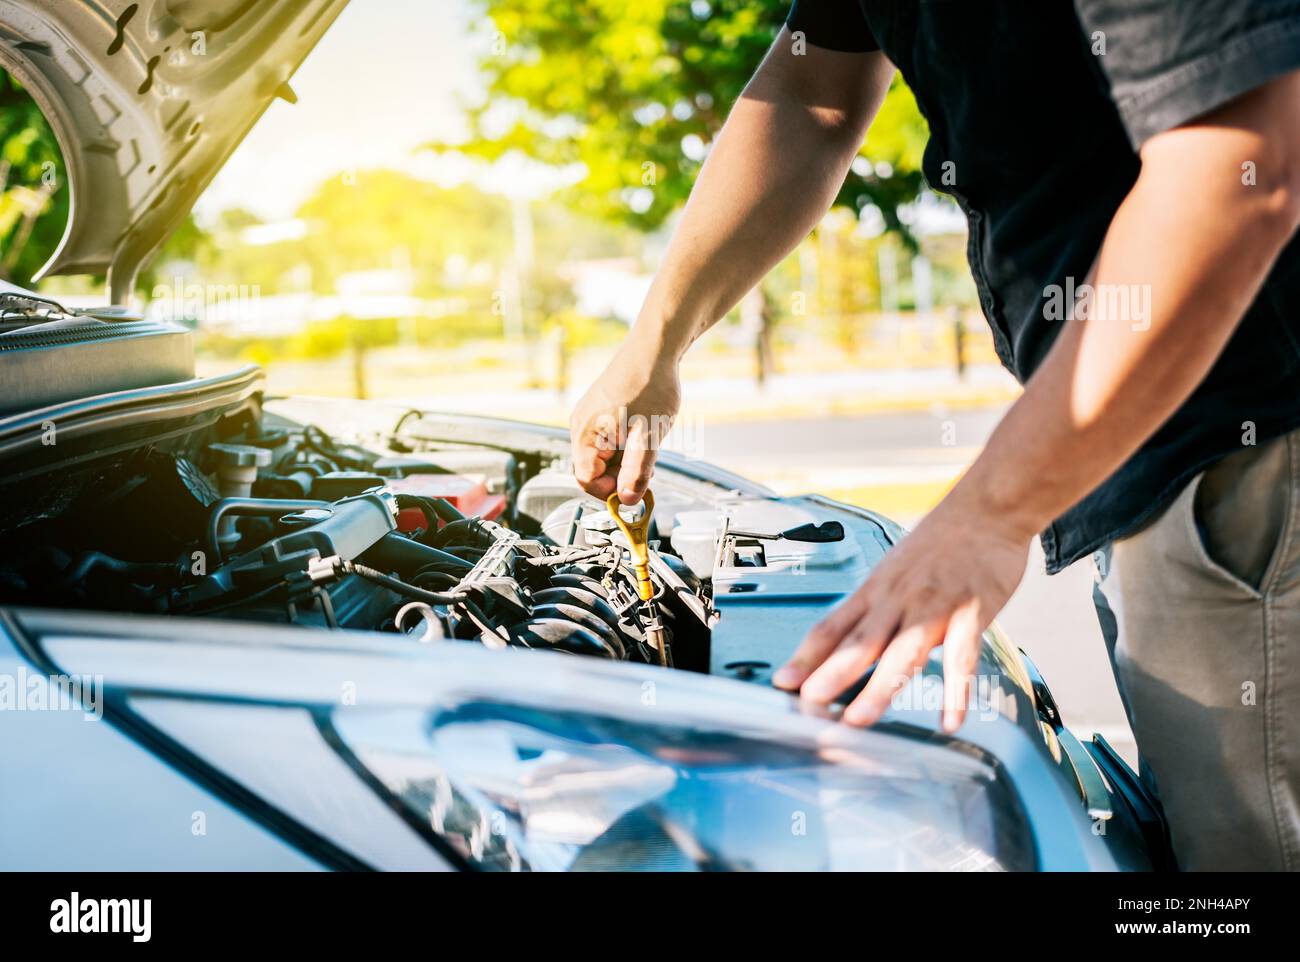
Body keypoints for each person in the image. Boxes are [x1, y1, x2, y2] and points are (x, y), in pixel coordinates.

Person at [567, 0, 1300, 871]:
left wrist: (990, 514)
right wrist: (656, 344)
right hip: (1146, 439)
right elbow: (813, 88)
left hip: (1248, 424)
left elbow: (1238, 161)